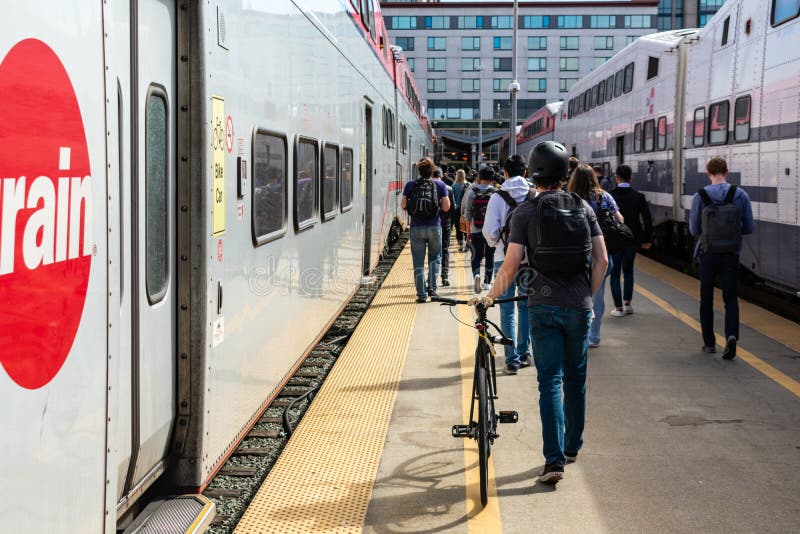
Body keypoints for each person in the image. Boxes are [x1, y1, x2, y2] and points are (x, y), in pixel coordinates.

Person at [475, 141, 608, 484]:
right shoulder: (583, 207)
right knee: (576, 379)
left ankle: (554, 461)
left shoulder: (526, 212)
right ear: (566, 173)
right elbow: (602, 261)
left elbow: (510, 265)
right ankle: (572, 446)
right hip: (578, 307)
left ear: (535, 172)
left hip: (542, 306)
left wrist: (489, 297)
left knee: (550, 380)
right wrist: (587, 298)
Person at [689, 156, 753, 359]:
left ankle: (709, 343)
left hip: (707, 254)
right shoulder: (740, 194)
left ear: (708, 173)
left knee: (706, 298)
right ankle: (731, 336)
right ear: (726, 172)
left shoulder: (700, 196)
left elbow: (694, 229)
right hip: (731, 254)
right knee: (730, 298)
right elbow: (749, 227)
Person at [482, 154, 533, 374]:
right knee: (525, 307)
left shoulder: (497, 197)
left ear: (504, 173)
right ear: (525, 173)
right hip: (530, 261)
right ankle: (524, 353)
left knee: (506, 309)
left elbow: (489, 233)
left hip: (504, 259)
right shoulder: (534, 195)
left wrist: (500, 244)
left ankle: (511, 359)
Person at [567, 164, 623, 348]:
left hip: (577, 255)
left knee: (575, 295)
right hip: (601, 253)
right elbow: (620, 220)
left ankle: (577, 333)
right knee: (597, 297)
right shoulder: (604, 197)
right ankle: (594, 336)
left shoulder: (570, 199)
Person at [402, 157, 451, 303]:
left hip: (416, 227)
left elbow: (403, 205)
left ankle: (421, 294)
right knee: (435, 258)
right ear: (432, 170)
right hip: (435, 227)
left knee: (418, 262)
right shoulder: (440, 185)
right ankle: (432, 288)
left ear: (419, 170)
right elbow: (446, 207)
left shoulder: (411, 185)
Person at [609, 164, 654, 317]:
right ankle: (627, 303)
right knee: (628, 271)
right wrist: (647, 239)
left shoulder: (609, 195)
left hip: (614, 240)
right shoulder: (639, 196)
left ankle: (618, 308)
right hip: (632, 239)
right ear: (631, 178)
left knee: (615, 274)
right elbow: (647, 220)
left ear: (616, 178)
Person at [462, 166, 496, 292]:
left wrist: (468, 232)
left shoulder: (472, 191)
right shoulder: (495, 192)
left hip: (476, 229)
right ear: (491, 178)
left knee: (475, 255)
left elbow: (468, 213)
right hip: (491, 231)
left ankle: (476, 275)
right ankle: (487, 283)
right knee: (490, 255)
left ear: (479, 177)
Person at [434, 169, 454, 287]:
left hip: (432, 223)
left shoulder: (429, 186)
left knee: (433, 251)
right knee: (445, 250)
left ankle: (432, 278)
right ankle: (444, 277)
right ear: (441, 176)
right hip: (445, 223)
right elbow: (453, 208)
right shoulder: (448, 188)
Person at [452, 169, 469, 251]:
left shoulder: (454, 185)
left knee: (458, 226)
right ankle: (467, 241)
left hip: (457, 209)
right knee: (466, 225)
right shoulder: (469, 185)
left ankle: (460, 242)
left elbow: (452, 198)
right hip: (466, 209)